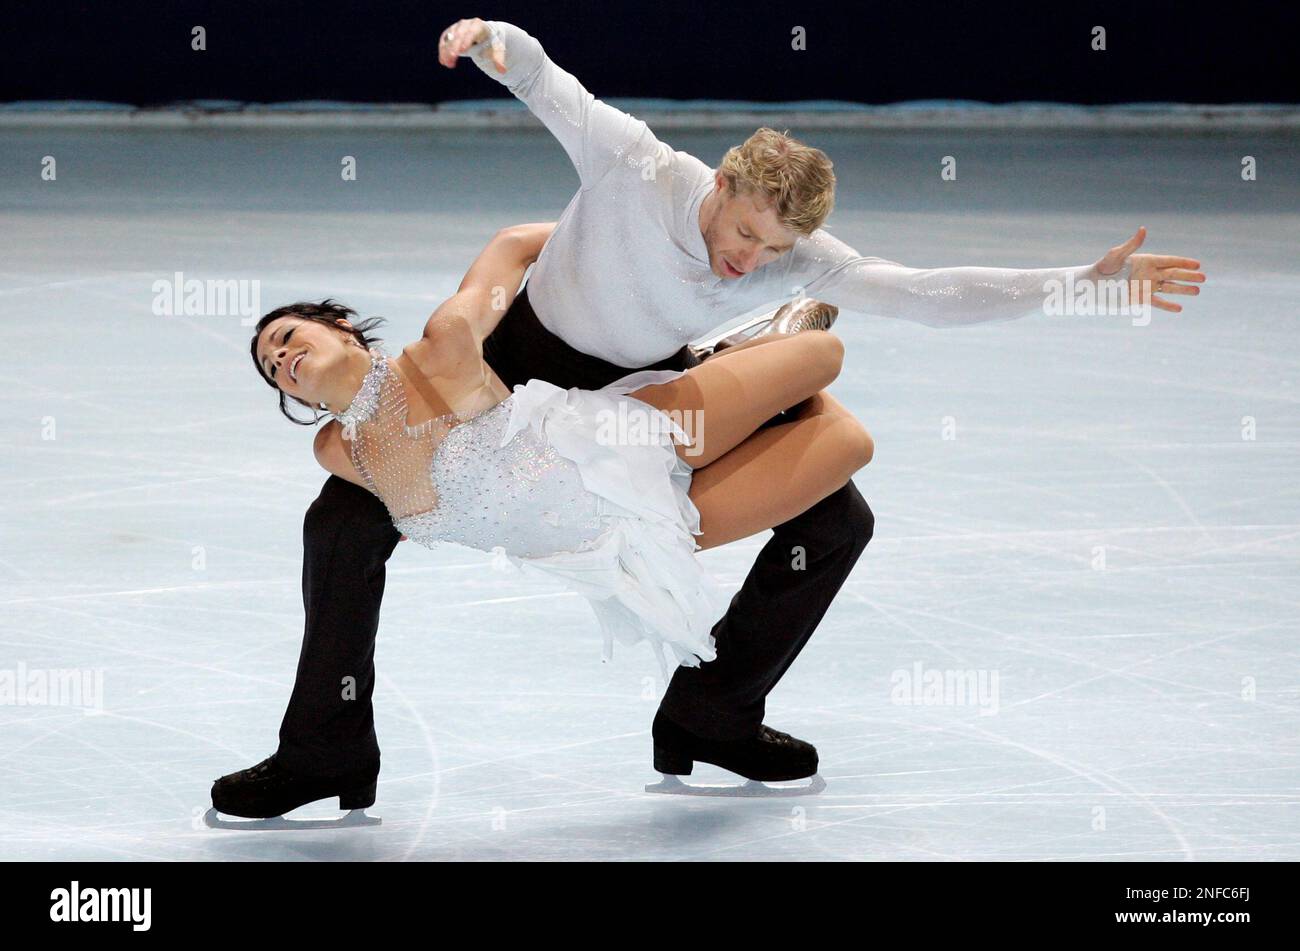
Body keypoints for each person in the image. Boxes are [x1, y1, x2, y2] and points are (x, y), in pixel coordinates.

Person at [210, 16, 1203, 819]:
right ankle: (326, 747)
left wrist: (1082, 281)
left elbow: (933, 292)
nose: (746, 258)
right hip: (520, 376)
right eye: (741, 235)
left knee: (835, 520)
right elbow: (550, 85)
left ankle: (711, 715)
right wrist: (489, 36)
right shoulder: (642, 169)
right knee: (342, 519)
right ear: (720, 184)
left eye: (772, 254)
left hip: (638, 391)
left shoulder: (798, 250)